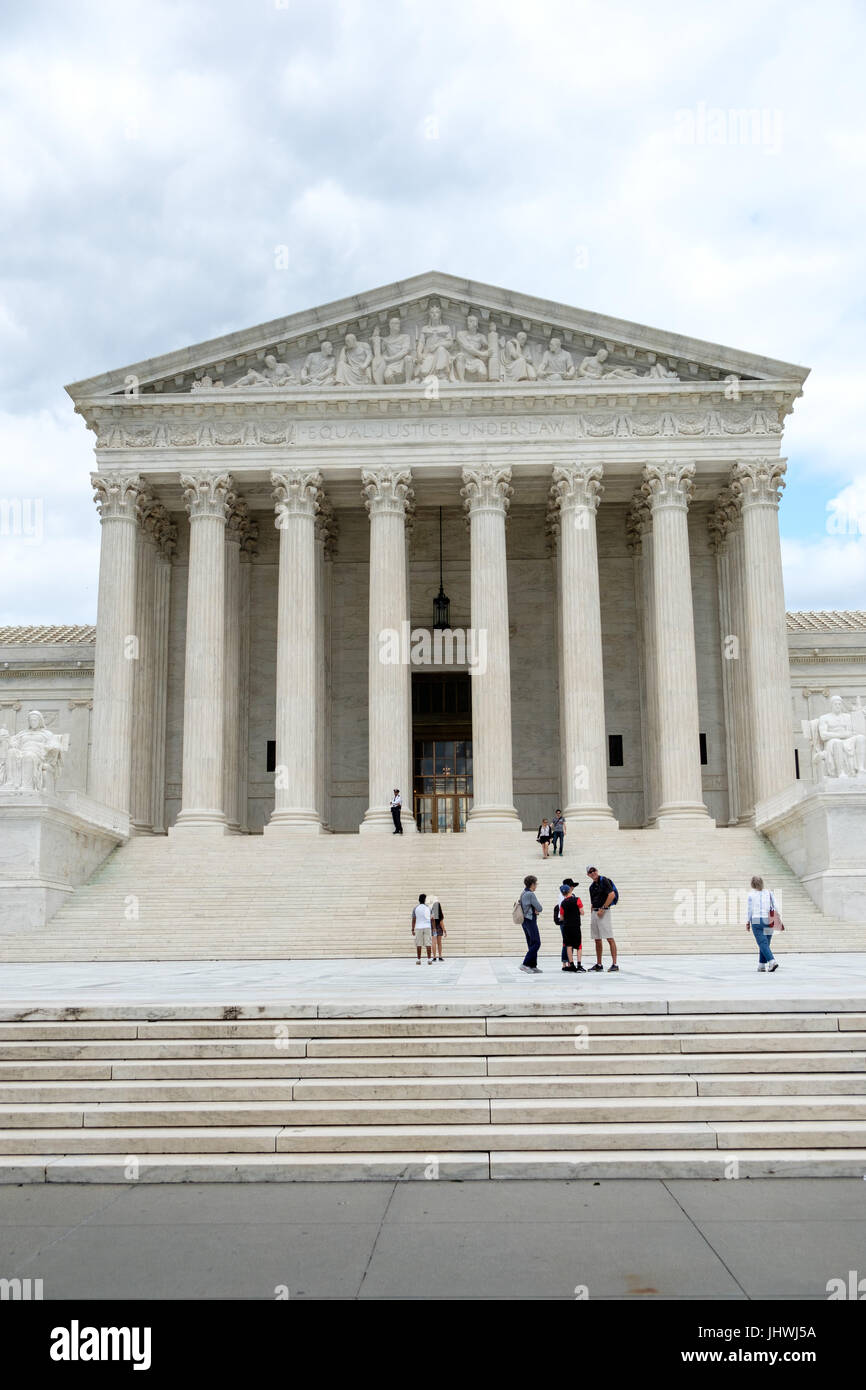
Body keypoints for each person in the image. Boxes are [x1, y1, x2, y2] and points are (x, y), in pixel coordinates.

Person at [745, 874, 782, 972]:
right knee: (765, 943)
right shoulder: (769, 893)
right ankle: (761, 965)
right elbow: (776, 906)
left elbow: (749, 909)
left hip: (756, 920)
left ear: (752, 884)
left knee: (762, 943)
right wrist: (778, 918)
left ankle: (772, 962)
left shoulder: (751, 895)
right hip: (768, 919)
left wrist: (748, 921)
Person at [587, 865, 618, 971]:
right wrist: (592, 913)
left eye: (594, 870)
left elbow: (612, 895)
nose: (593, 873)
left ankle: (615, 964)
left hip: (603, 911)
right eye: (590, 872)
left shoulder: (604, 880)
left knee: (609, 937)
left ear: (597, 871)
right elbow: (592, 902)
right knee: (597, 939)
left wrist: (603, 908)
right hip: (595, 912)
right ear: (588, 875)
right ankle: (599, 964)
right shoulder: (591, 887)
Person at [519, 875, 543, 974]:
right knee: (537, 942)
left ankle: (532, 965)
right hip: (530, 920)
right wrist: (536, 909)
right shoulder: (530, 894)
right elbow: (539, 907)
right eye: (536, 884)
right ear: (532, 884)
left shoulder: (523, 893)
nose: (536, 886)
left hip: (524, 920)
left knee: (531, 943)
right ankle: (525, 964)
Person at [558, 881, 583, 973]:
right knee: (578, 945)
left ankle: (571, 964)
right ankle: (579, 965)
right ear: (570, 890)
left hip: (567, 926)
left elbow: (561, 917)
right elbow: (582, 912)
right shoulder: (577, 900)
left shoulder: (563, 903)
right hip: (576, 925)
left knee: (568, 945)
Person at [412, 893, 433, 965]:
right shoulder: (428, 908)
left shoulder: (415, 908)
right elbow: (432, 919)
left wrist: (412, 929)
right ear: (425, 900)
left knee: (419, 944)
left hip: (418, 927)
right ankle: (429, 959)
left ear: (419, 900)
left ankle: (418, 960)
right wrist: (433, 928)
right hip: (427, 927)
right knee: (428, 944)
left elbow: (414, 919)